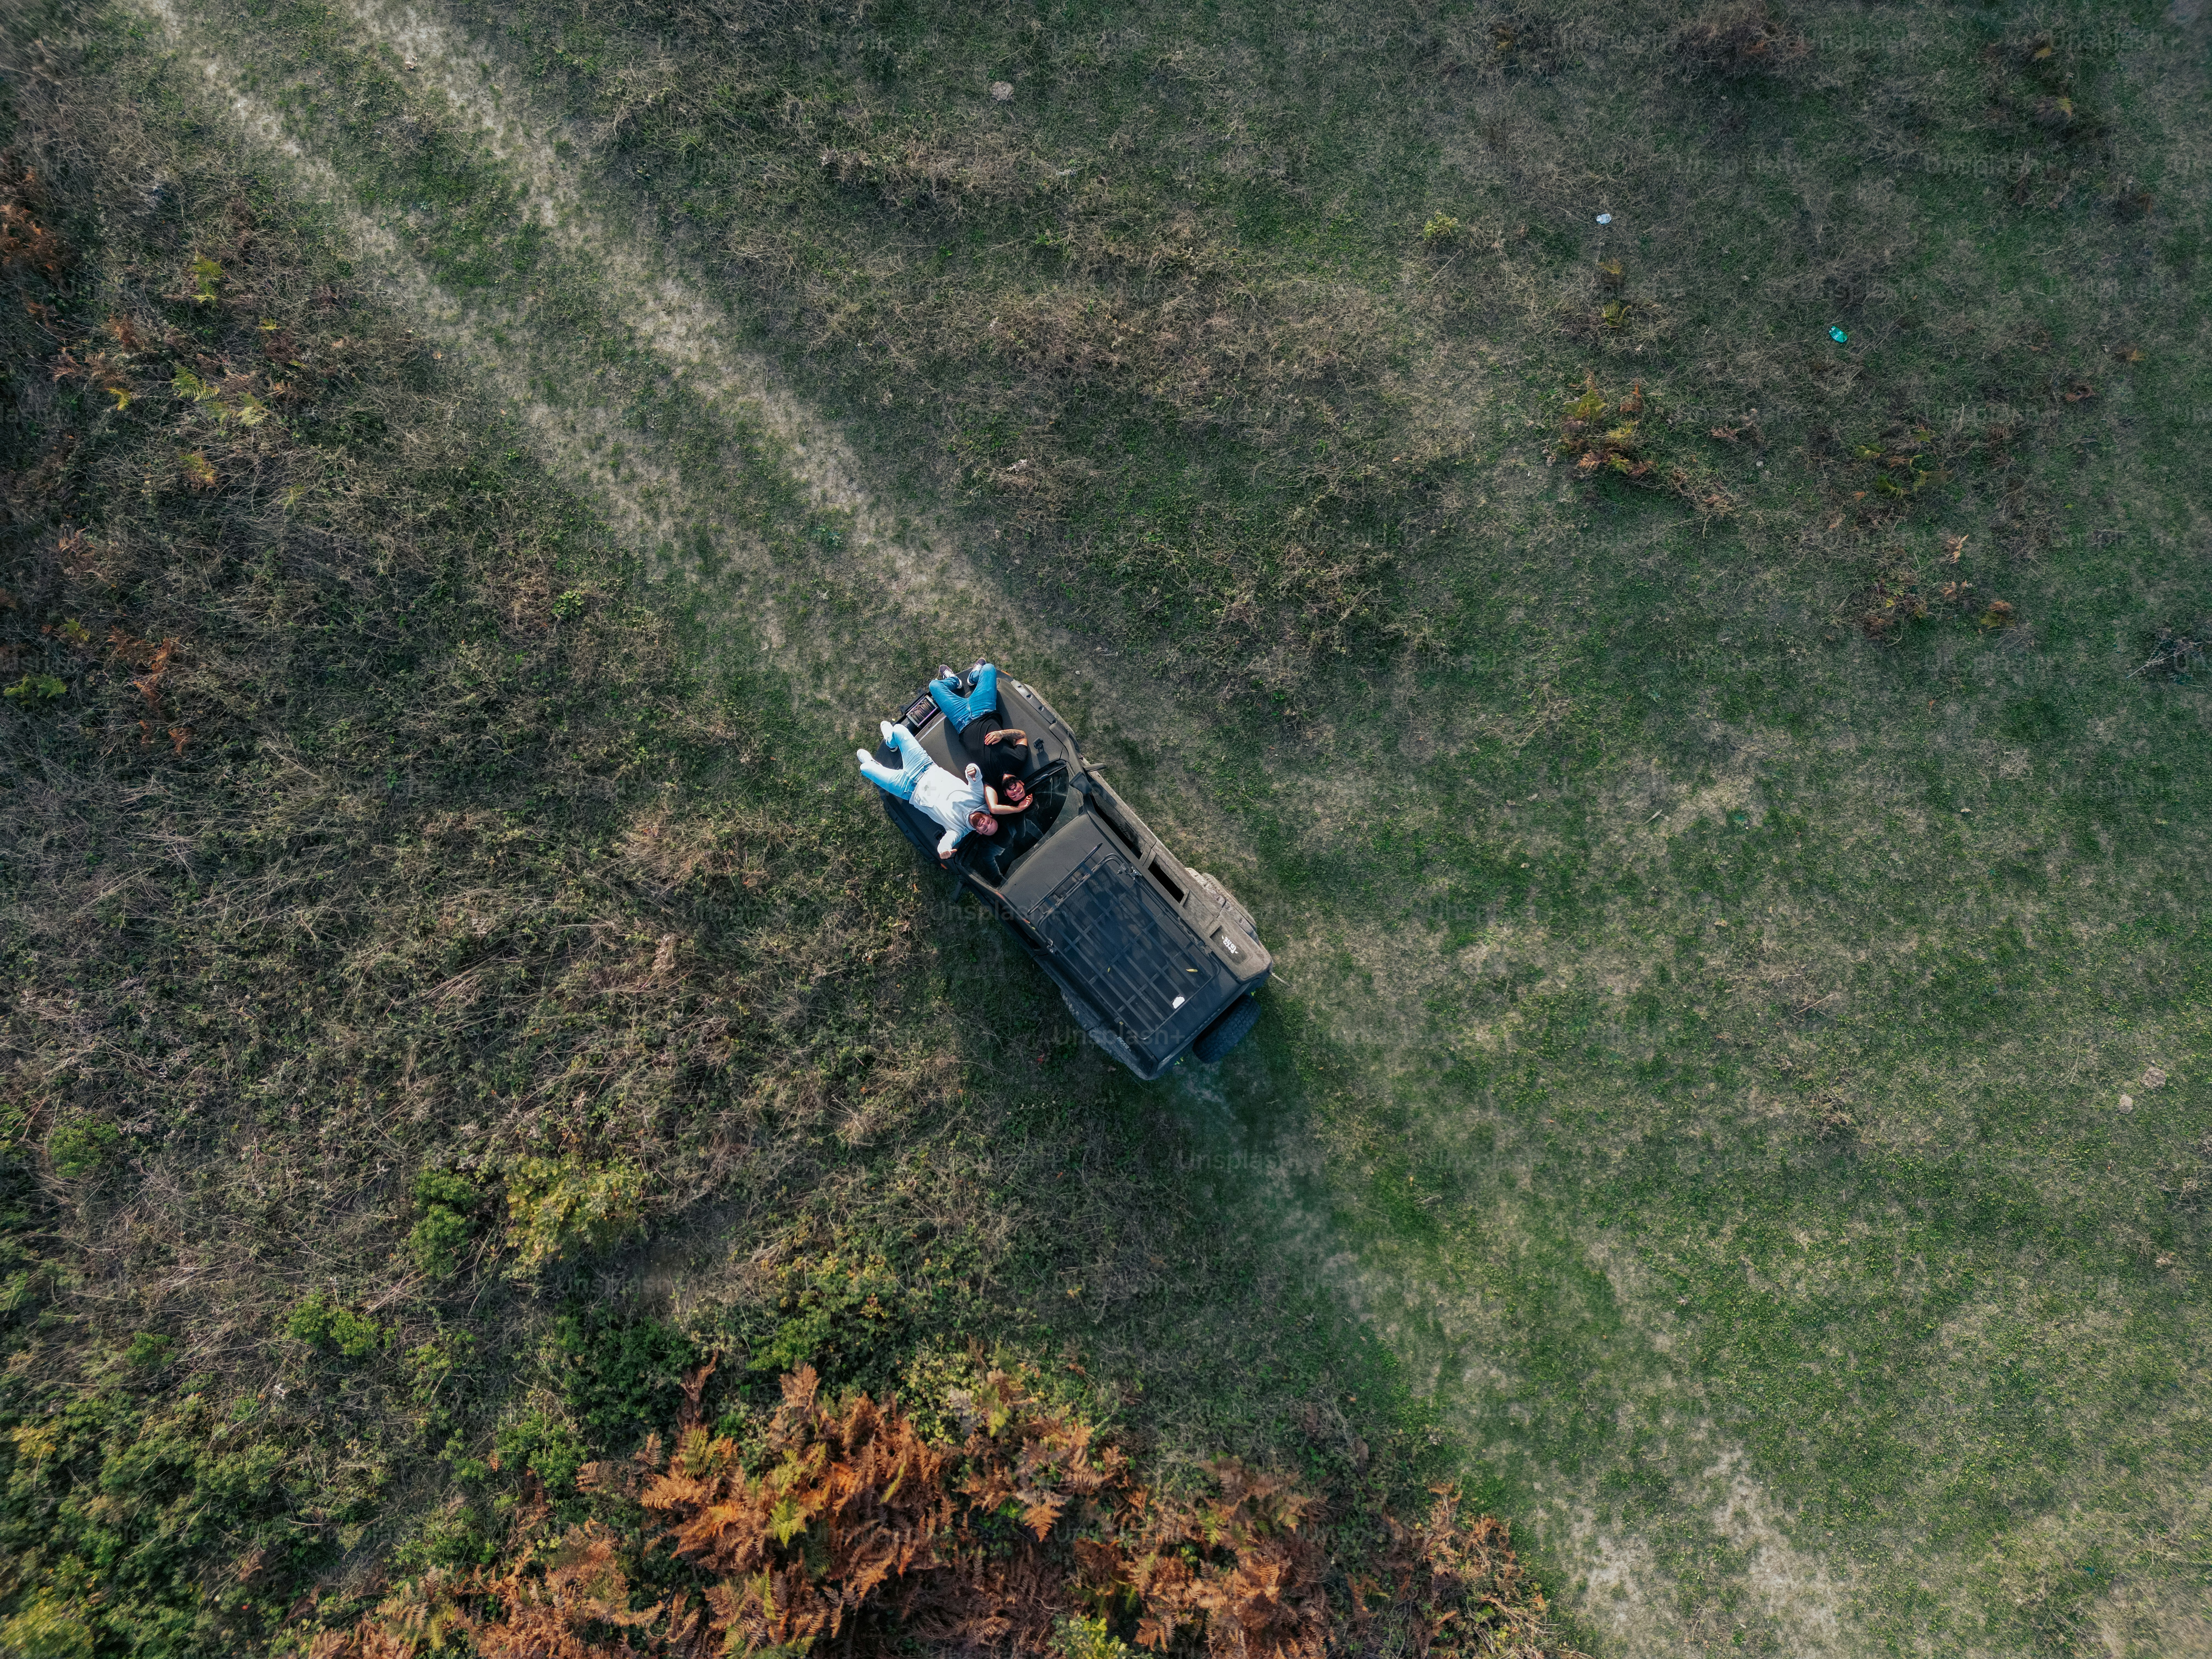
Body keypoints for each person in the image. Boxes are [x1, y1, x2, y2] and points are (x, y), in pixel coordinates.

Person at [856, 722, 998, 861]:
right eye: (989, 823)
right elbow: (976, 779)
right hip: (923, 766)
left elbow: (947, 842)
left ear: (979, 832)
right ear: (989, 815)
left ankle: (874, 764)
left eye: (985, 829)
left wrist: (943, 850)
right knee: (899, 730)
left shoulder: (959, 831)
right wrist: (974, 771)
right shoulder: (979, 799)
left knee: (866, 769)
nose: (985, 825)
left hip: (908, 790)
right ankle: (891, 743)